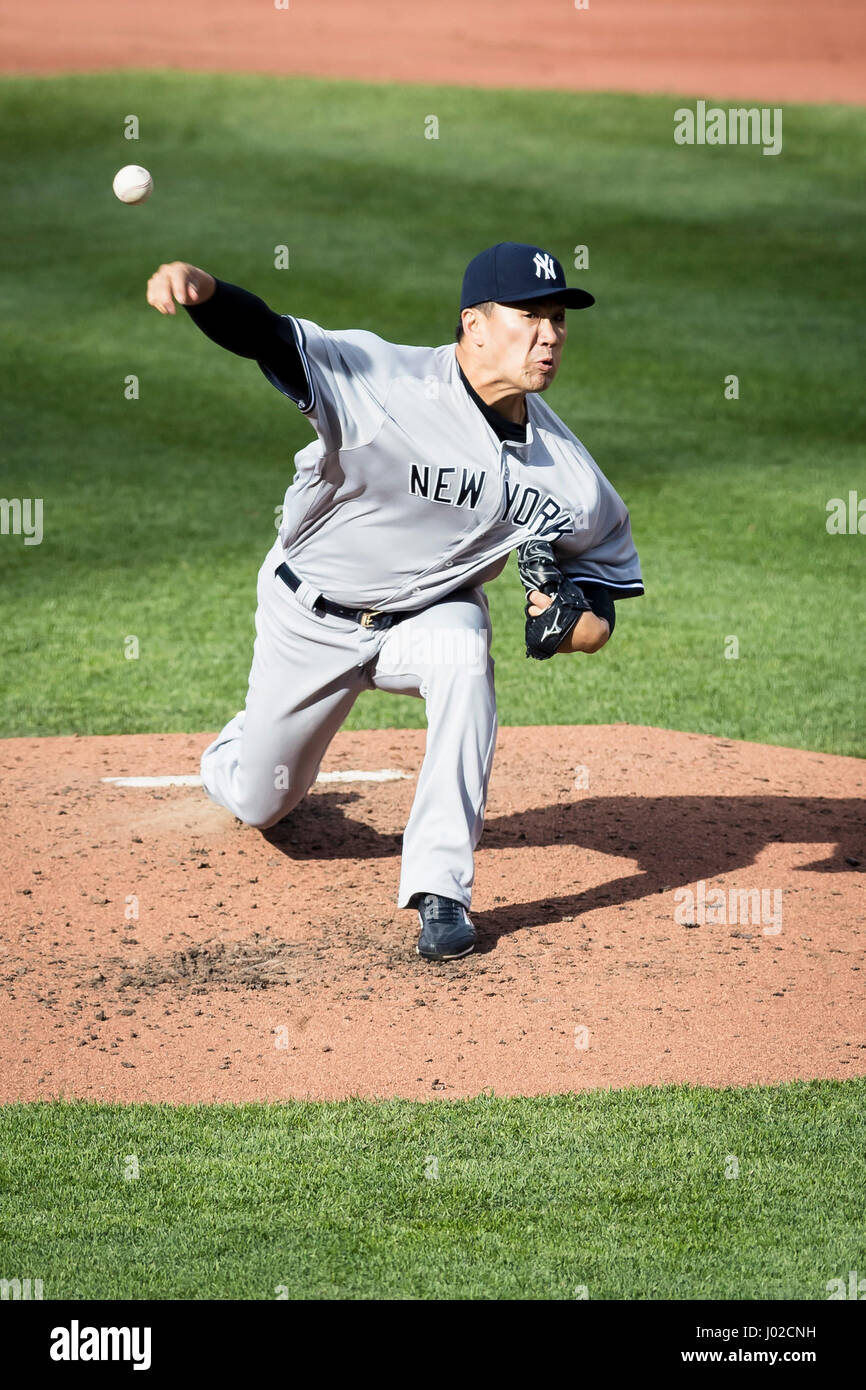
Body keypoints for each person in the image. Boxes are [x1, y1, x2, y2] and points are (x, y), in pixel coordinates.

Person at [145, 242, 643, 961]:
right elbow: (271, 337)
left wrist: (567, 626)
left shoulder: (570, 478)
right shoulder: (384, 378)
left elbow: (600, 610)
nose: (550, 335)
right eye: (530, 316)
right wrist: (207, 294)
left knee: (467, 655)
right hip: (309, 615)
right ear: (474, 324)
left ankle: (442, 891)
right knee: (261, 803)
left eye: (560, 318)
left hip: (429, 615)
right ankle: (240, 744)